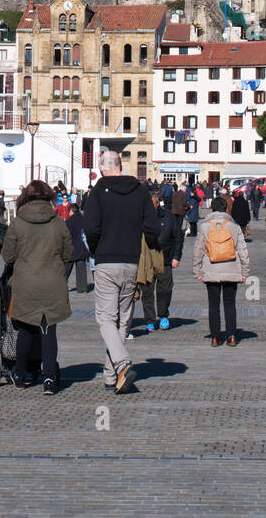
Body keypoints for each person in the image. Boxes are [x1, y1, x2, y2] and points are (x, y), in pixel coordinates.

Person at [83, 149, 159, 394]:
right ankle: (112, 376)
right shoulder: (140, 191)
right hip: (131, 261)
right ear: (120, 165)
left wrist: (97, 250)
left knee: (106, 318)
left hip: (106, 261)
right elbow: (153, 226)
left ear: (103, 168)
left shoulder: (97, 192)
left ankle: (122, 363)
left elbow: (91, 227)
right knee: (123, 319)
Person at [1, 180, 73, 395]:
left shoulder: (18, 223)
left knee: (25, 329)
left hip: (26, 282)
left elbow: (8, 256)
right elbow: (69, 252)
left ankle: (20, 374)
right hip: (52, 282)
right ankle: (49, 377)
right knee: (48, 330)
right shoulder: (58, 222)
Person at [193, 196, 249, 346]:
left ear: (211, 209)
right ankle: (231, 336)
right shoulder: (234, 227)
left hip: (211, 269)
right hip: (231, 269)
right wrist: (245, 271)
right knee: (230, 303)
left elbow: (198, 249)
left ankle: (215, 337)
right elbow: (243, 250)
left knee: (213, 304)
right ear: (226, 209)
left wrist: (197, 270)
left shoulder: (204, 226)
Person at [141, 187, 183, 331]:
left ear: (157, 203)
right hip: (146, 259)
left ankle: (163, 314)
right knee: (147, 291)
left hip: (165, 258)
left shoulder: (168, 217)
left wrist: (176, 256)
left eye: (151, 203)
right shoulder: (141, 217)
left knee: (165, 289)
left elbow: (178, 237)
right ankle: (149, 320)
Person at [64, 203, 90, 292]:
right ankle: (83, 288)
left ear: (71, 211)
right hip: (82, 247)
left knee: (66, 269)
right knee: (81, 269)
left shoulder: (69, 221)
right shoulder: (84, 220)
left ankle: (61, 285)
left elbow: (67, 236)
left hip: (71, 248)